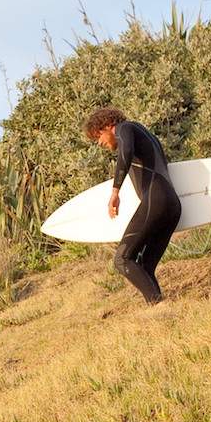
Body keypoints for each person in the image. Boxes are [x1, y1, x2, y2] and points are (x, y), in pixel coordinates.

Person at [85, 106, 181, 305]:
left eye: (99, 137)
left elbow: (126, 150)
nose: (100, 143)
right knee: (144, 265)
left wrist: (115, 191)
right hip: (173, 205)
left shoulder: (125, 128)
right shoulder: (146, 135)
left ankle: (157, 305)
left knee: (122, 259)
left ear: (108, 126)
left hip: (158, 200)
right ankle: (158, 305)